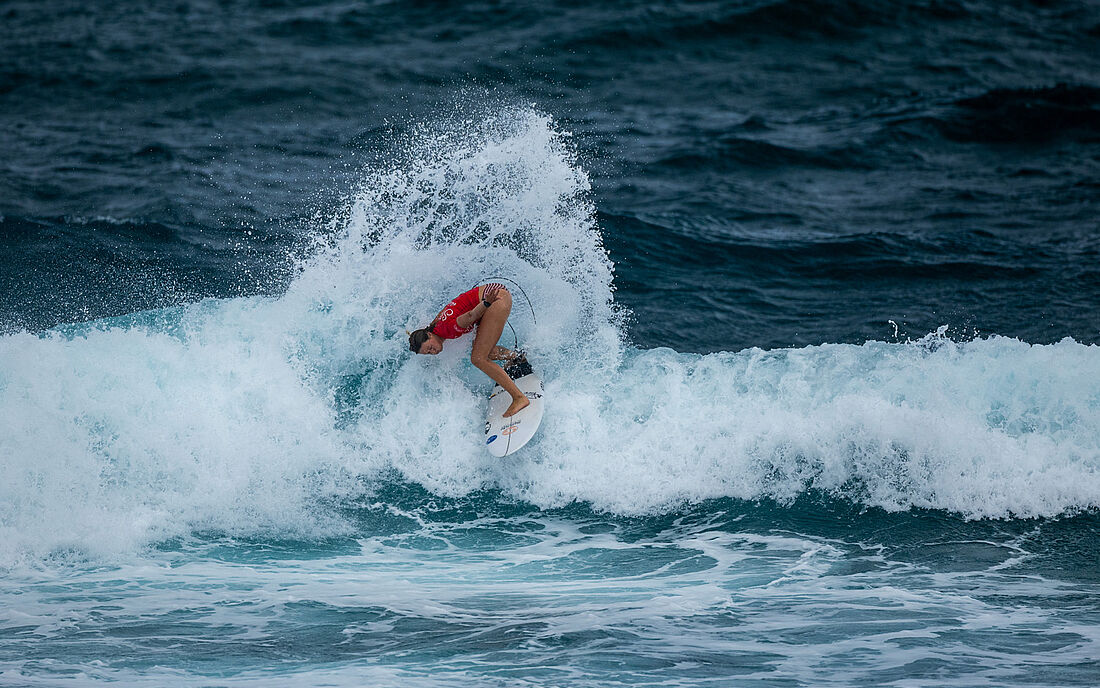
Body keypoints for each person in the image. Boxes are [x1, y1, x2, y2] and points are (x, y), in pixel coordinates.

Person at [408, 283, 531, 417]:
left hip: (494, 298)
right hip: (490, 295)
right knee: (486, 350)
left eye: (430, 348)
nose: (434, 351)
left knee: (478, 358)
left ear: (430, 335)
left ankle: (519, 398)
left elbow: (471, 316)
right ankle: (517, 358)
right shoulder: (434, 327)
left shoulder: (447, 328)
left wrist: (487, 303)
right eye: (429, 353)